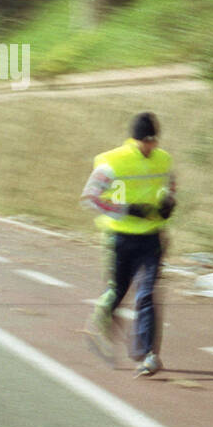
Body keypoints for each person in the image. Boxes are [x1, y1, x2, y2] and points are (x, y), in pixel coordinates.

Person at [81, 111, 177, 376]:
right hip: (120, 238)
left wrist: (169, 202)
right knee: (118, 291)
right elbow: (90, 197)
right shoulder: (112, 162)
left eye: (153, 140)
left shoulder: (163, 159)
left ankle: (148, 355)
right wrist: (125, 209)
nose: (150, 146)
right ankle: (98, 322)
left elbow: (170, 184)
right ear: (134, 139)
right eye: (145, 141)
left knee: (147, 293)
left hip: (152, 237)